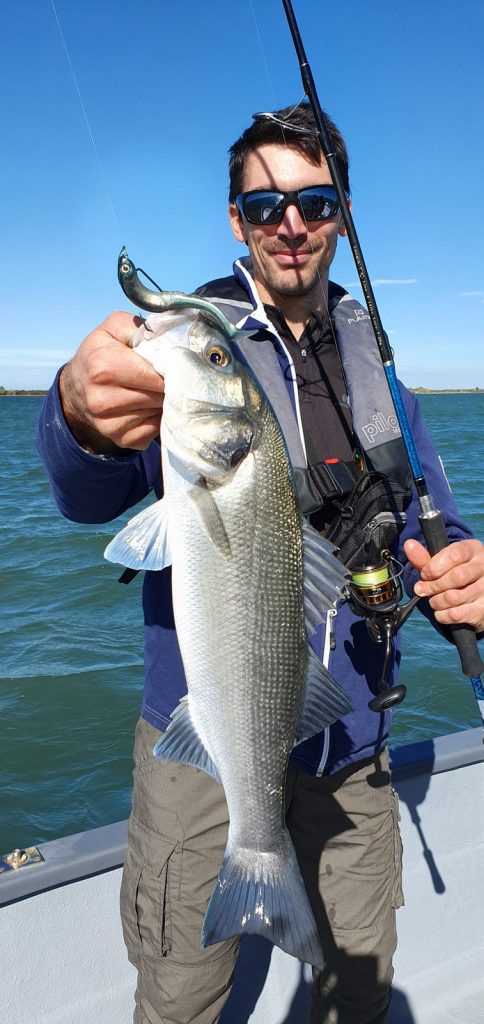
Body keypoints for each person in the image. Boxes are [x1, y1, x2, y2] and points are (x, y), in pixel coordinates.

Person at [37, 103, 484, 1024]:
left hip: (352, 745)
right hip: (202, 749)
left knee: (358, 991)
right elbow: (85, 492)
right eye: (263, 205)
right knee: (181, 1000)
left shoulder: (382, 375)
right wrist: (78, 416)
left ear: (342, 214)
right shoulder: (187, 353)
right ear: (234, 220)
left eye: (315, 202)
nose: (290, 224)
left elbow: (431, 523)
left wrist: (465, 576)